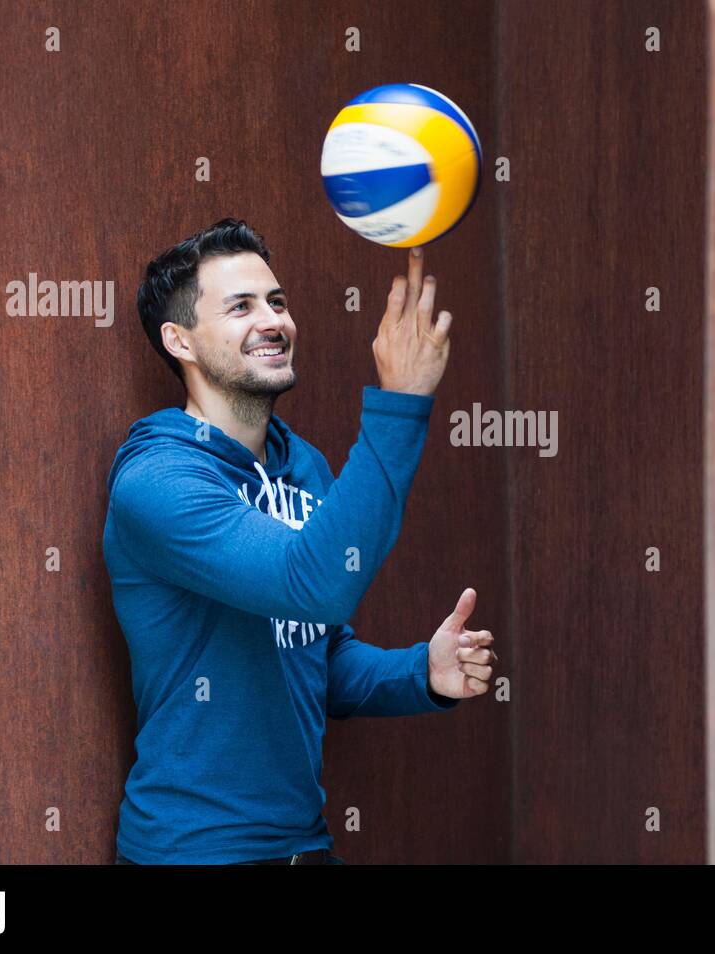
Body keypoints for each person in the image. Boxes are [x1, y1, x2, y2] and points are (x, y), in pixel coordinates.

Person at [103, 218, 497, 864]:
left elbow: (317, 657)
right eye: (240, 306)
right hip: (191, 853)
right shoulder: (157, 481)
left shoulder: (302, 467)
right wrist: (401, 402)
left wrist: (419, 671)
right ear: (181, 341)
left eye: (276, 302)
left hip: (303, 848)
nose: (273, 320)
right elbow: (312, 582)